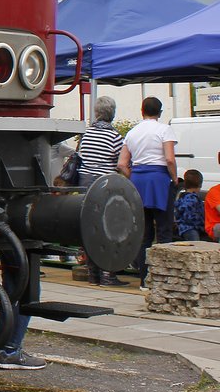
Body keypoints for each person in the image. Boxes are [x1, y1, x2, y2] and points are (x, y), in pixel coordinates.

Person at [118, 96, 177, 288]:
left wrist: (133, 176)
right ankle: (165, 279)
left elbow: (122, 164)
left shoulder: (133, 132)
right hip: (159, 179)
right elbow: (169, 159)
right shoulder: (164, 130)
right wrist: (174, 179)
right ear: (160, 112)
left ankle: (144, 280)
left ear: (141, 111)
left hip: (139, 180)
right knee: (164, 230)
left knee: (144, 234)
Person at [76, 96, 127, 285]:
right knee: (108, 227)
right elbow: (120, 164)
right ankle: (108, 274)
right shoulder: (114, 136)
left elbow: (81, 157)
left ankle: (92, 274)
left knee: (89, 227)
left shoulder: (87, 134)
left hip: (85, 184)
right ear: (112, 113)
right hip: (105, 186)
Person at [174, 169, 206, 241]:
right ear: (199, 184)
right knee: (195, 244)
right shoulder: (192, 199)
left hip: (184, 227)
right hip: (189, 228)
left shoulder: (182, 196)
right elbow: (190, 217)